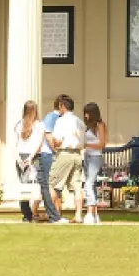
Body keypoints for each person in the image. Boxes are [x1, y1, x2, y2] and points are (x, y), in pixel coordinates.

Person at [48, 95, 87, 223]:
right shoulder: (79, 122)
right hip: (77, 154)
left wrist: (53, 143)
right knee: (77, 186)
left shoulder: (61, 121)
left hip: (64, 153)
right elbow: (83, 142)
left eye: (59, 106)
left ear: (63, 106)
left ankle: (55, 215)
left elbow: (58, 141)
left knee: (52, 184)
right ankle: (78, 215)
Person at [12, 100, 45, 223]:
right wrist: (25, 158)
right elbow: (38, 144)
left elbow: (17, 145)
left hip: (28, 156)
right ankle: (28, 213)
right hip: (30, 156)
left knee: (29, 183)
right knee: (29, 184)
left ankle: (28, 213)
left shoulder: (34, 125)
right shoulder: (33, 125)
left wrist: (23, 158)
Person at [34, 97, 64, 223]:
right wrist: (56, 151)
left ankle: (55, 213)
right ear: (61, 105)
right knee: (50, 185)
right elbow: (48, 135)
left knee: (54, 186)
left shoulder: (60, 118)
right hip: (48, 155)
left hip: (53, 154)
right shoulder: (52, 117)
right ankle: (52, 214)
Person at [81, 102, 107, 225]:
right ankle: (95, 214)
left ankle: (90, 212)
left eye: (87, 113)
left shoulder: (99, 125)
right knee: (91, 184)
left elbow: (102, 144)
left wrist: (87, 145)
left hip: (95, 157)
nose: (85, 115)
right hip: (87, 155)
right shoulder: (87, 126)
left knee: (88, 183)